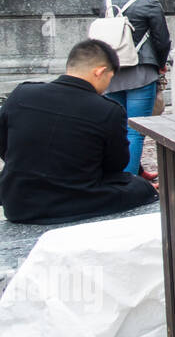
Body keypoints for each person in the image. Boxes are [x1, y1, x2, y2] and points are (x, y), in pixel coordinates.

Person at [0, 40, 157, 224]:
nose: (107, 86)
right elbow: (115, 166)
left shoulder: (22, 94)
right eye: (110, 78)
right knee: (141, 187)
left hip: (18, 203)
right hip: (72, 201)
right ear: (99, 71)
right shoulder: (108, 110)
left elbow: (4, 144)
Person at [103, 0, 172, 179]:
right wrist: (161, 65)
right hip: (141, 72)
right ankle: (129, 181)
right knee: (136, 130)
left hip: (113, 72)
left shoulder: (108, 2)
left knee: (118, 129)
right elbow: (162, 40)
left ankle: (133, 171)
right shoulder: (149, 4)